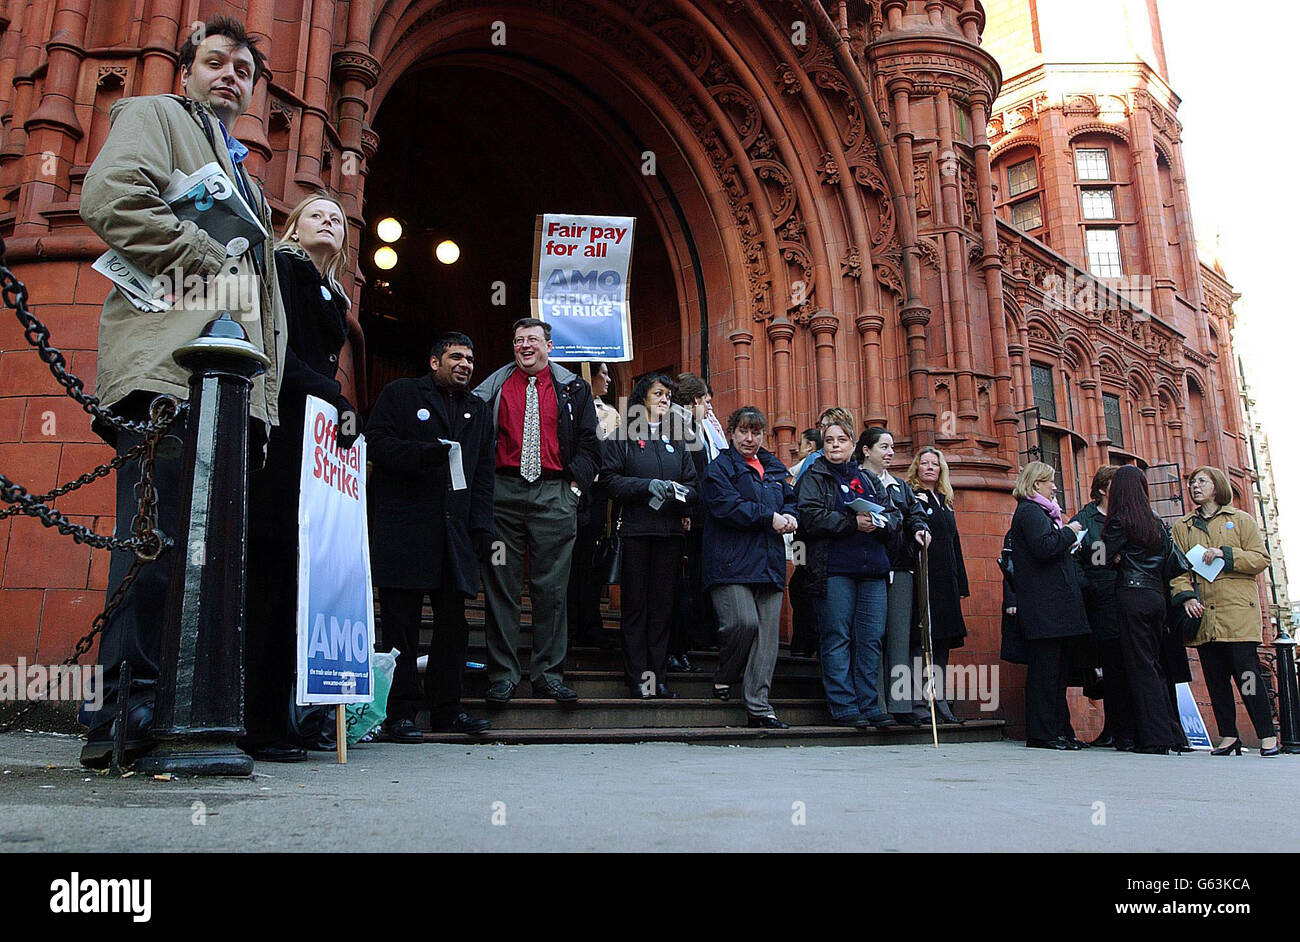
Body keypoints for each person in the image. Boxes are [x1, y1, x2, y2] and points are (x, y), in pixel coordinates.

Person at [76, 16, 287, 768]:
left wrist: (263, 403)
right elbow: (111, 198)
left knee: (200, 559)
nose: (229, 75)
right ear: (188, 68)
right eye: (216, 62)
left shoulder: (250, 184)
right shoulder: (157, 116)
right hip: (169, 374)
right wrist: (207, 257)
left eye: (243, 70)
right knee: (156, 547)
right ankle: (120, 719)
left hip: (229, 394)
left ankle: (173, 712)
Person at [241, 194, 357, 761]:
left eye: (337, 217)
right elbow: (276, 352)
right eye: (317, 214)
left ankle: (280, 717)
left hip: (309, 438)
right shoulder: (283, 266)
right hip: (279, 435)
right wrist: (335, 395)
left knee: (296, 578)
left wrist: (341, 408)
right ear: (293, 226)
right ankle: (257, 723)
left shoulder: (334, 289)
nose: (330, 221)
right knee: (269, 573)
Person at [366, 332, 495, 741]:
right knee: (401, 627)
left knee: (454, 626)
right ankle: (400, 712)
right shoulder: (401, 394)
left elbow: (483, 475)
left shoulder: (478, 409)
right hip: (403, 531)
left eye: (471, 359)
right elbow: (377, 445)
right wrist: (424, 454)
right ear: (435, 361)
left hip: (454, 536)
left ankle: (447, 709)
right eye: (456, 356)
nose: (465, 365)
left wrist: (480, 526)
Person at [473, 318, 599, 703]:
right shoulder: (492, 388)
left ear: (549, 345)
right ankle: (503, 676)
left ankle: (548, 674)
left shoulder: (574, 388)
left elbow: (591, 445)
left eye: (532, 340)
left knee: (552, 591)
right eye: (517, 340)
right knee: (501, 587)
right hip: (504, 493)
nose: (524, 346)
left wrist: (573, 488)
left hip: (554, 494)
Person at [795, 412, 901, 727]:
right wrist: (850, 522)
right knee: (837, 636)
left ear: (853, 444)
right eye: (829, 440)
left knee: (870, 639)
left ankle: (870, 706)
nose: (835, 445)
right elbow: (808, 517)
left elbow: (895, 517)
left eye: (841, 440)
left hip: (873, 571)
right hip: (834, 569)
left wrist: (879, 522)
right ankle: (844, 707)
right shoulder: (813, 475)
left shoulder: (867, 478)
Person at [600, 373, 698, 697]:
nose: (664, 399)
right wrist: (646, 487)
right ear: (642, 398)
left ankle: (658, 678)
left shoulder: (677, 441)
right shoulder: (622, 437)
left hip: (669, 536)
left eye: (668, 395)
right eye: (659, 393)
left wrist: (679, 497)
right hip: (636, 534)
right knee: (636, 608)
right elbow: (609, 482)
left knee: (662, 609)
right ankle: (637, 679)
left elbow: (695, 487)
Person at [1171, 466, 1279, 757]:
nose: (1195, 486)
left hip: (1238, 613)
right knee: (1215, 678)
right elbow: (1177, 569)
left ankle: (1267, 736)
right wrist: (1186, 598)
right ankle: (1229, 736)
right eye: (1192, 482)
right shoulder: (1183, 527)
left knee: (1248, 677)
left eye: (1201, 482)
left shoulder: (1240, 520)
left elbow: (1260, 558)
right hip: (1204, 613)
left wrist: (1225, 554)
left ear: (1216, 486)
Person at [701, 406, 797, 728]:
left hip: (768, 562)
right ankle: (726, 674)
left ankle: (759, 707)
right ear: (731, 433)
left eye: (756, 432)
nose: (750, 438)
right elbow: (727, 507)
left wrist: (793, 514)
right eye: (743, 431)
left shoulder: (773, 466)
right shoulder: (720, 468)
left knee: (767, 638)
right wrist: (768, 517)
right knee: (743, 623)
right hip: (730, 562)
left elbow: (790, 498)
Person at [1100, 465, 1184, 755]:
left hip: (1132, 595)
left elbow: (1100, 557)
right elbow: (1169, 562)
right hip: (1156, 596)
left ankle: (1154, 738)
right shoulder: (1156, 522)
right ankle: (1170, 733)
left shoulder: (1120, 520)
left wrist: (1117, 557)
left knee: (1140, 666)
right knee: (1155, 665)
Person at [1007, 461, 1090, 749]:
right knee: (1045, 674)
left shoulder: (1043, 513)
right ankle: (1043, 734)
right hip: (1044, 610)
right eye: (1048, 481)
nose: (1054, 486)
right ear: (1034, 485)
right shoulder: (1030, 512)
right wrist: (1070, 533)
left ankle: (1060, 731)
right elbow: (1043, 548)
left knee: (1057, 675)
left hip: (1055, 610)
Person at [857, 426, 931, 725]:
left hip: (900, 567)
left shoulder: (900, 486)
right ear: (866, 450)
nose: (889, 452)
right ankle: (875, 704)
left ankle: (900, 705)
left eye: (891, 447)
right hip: (868, 565)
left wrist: (921, 528)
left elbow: (915, 514)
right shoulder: (857, 480)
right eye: (883, 447)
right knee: (872, 636)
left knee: (900, 637)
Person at [1068, 466, 1134, 751]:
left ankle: (1129, 727)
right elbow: (1072, 559)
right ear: (1104, 489)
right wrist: (1088, 587)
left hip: (1128, 597)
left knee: (1130, 664)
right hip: (1100, 600)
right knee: (1109, 666)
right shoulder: (1084, 519)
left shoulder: (1128, 517)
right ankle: (1115, 728)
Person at [904, 446, 968, 724]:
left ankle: (939, 698)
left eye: (935, 464)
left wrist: (961, 582)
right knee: (922, 643)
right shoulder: (912, 497)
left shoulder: (945, 501)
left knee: (943, 643)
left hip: (946, 582)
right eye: (924, 463)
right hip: (924, 578)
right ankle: (919, 703)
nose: (929, 467)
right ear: (917, 468)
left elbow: (955, 544)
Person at [668, 371, 725, 669]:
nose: (709, 407)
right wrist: (687, 512)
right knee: (682, 582)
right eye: (705, 401)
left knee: (695, 579)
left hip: (701, 517)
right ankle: (679, 644)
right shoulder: (678, 427)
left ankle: (693, 639)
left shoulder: (695, 426)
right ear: (693, 401)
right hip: (688, 517)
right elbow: (687, 472)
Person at [568, 362, 620, 650]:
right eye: (603, 373)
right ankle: (564, 624)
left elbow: (613, 453)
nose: (608, 379)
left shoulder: (610, 413)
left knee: (590, 560)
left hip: (596, 492)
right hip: (566, 487)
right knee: (564, 560)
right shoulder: (564, 401)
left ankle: (589, 623)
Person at [787, 426, 825, 658]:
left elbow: (798, 498)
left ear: (810, 445)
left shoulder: (812, 461)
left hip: (804, 540)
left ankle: (803, 646)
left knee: (800, 584)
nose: (796, 448)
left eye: (799, 443)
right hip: (807, 541)